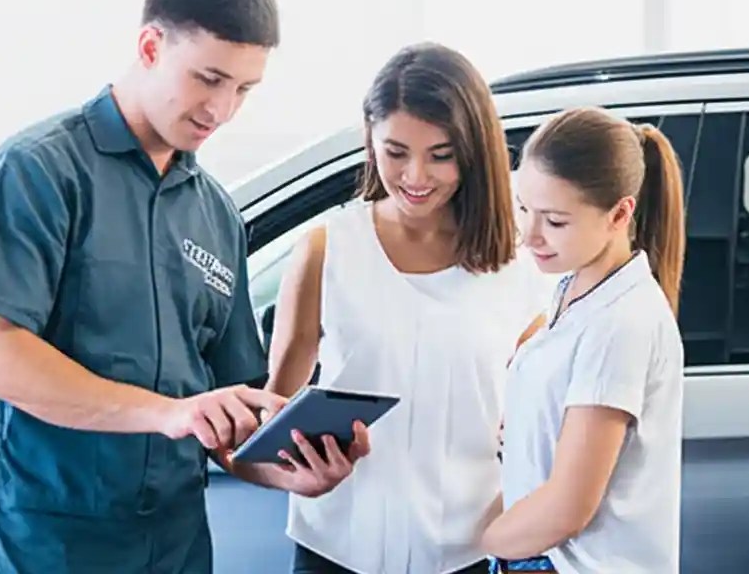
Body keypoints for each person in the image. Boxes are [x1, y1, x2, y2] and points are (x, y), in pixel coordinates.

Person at [0, 0, 368, 574]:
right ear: (149, 46)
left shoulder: (216, 213)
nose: (221, 110)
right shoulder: (39, 171)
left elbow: (228, 421)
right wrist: (168, 412)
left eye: (244, 90)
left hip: (174, 548)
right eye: (208, 78)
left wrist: (293, 470)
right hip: (46, 548)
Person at [265, 42, 556, 574]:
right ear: (369, 140)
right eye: (395, 152)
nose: (416, 177)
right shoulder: (328, 249)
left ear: (473, 151)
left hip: (464, 551)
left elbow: (536, 411)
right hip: (336, 548)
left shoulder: (520, 261)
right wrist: (296, 462)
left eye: (440, 155)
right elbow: (273, 415)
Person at [479, 107, 687, 573]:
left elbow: (568, 506)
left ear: (619, 213)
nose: (530, 235)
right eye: (525, 209)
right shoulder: (571, 292)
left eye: (554, 220)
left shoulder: (621, 322)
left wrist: (478, 541)